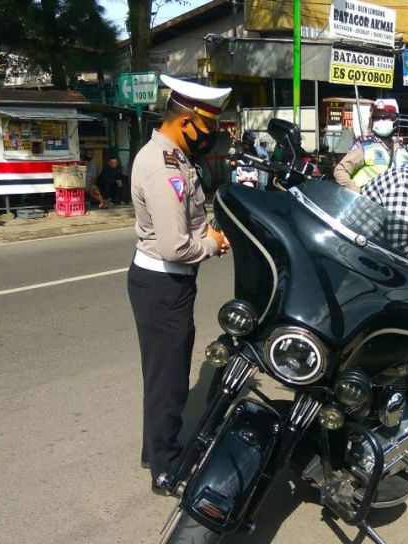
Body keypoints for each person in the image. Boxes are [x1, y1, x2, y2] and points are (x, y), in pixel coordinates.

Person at [127, 74, 230, 495]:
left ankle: (154, 450)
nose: (209, 136)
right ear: (186, 121)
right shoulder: (161, 166)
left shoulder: (175, 157)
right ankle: (165, 468)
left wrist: (209, 231)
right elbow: (175, 245)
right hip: (163, 283)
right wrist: (212, 244)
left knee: (162, 375)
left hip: (166, 283)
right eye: (206, 127)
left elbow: (190, 217)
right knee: (168, 381)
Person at [333, 98, 408, 192]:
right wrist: (359, 193)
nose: (381, 121)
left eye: (386, 117)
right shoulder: (365, 146)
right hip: (368, 198)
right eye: (377, 118)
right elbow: (340, 171)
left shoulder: (403, 150)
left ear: (396, 120)